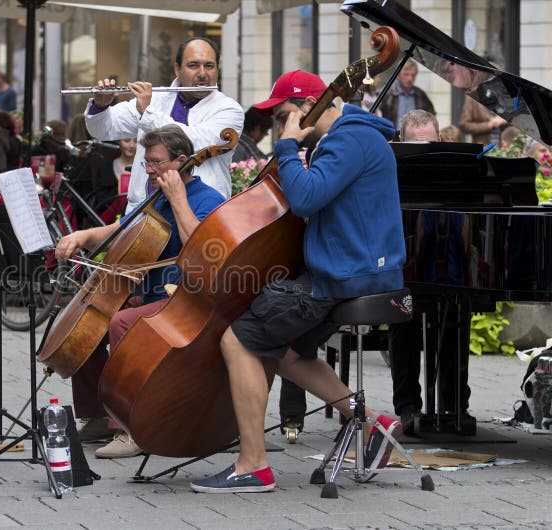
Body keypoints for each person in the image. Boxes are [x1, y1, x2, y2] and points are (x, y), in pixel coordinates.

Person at [190, 71, 404, 493]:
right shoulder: (354, 136)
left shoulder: (348, 139)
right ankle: (370, 424)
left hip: (346, 276)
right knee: (286, 351)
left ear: (308, 106)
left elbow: (306, 197)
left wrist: (288, 146)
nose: (279, 124)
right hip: (358, 270)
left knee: (239, 339)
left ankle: (253, 464)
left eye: (284, 114)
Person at [58, 125, 225, 457]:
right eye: (146, 163)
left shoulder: (209, 199)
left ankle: (133, 427)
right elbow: (123, 227)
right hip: (156, 296)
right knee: (92, 318)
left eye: (155, 162)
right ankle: (95, 415)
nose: (148, 170)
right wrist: (83, 236)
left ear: (180, 162)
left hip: (189, 302)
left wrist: (178, 198)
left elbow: (202, 249)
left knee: (123, 323)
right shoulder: (156, 194)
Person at [84, 37, 243, 212]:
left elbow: (194, 141)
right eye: (193, 65)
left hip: (197, 213)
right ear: (177, 69)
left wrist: (148, 112)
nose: (202, 73)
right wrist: (100, 105)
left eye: (209, 66)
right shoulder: (155, 98)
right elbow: (104, 130)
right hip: (144, 211)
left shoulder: (229, 109)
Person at [388, 109, 473, 435]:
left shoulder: (456, 173)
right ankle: (408, 407)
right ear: (401, 144)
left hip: (450, 264)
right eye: (416, 146)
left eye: (431, 144)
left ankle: (455, 405)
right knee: (403, 322)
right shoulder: (391, 172)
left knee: (457, 315)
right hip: (404, 262)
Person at [379, 59, 436, 134]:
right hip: (392, 137)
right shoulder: (386, 93)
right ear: (398, 75)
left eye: (413, 75)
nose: (410, 79)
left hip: (415, 138)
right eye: (406, 74)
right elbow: (377, 117)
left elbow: (431, 116)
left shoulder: (420, 94)